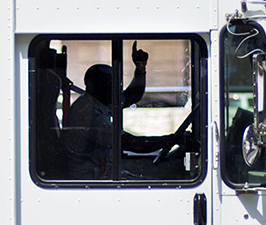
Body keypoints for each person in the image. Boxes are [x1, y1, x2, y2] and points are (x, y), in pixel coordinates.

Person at [61, 42, 186, 178]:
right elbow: (133, 144)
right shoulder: (88, 114)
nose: (116, 88)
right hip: (90, 181)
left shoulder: (101, 100)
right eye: (110, 83)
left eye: (117, 83)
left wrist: (140, 69)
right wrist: (173, 139)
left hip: (103, 175)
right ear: (92, 85)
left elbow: (132, 95)